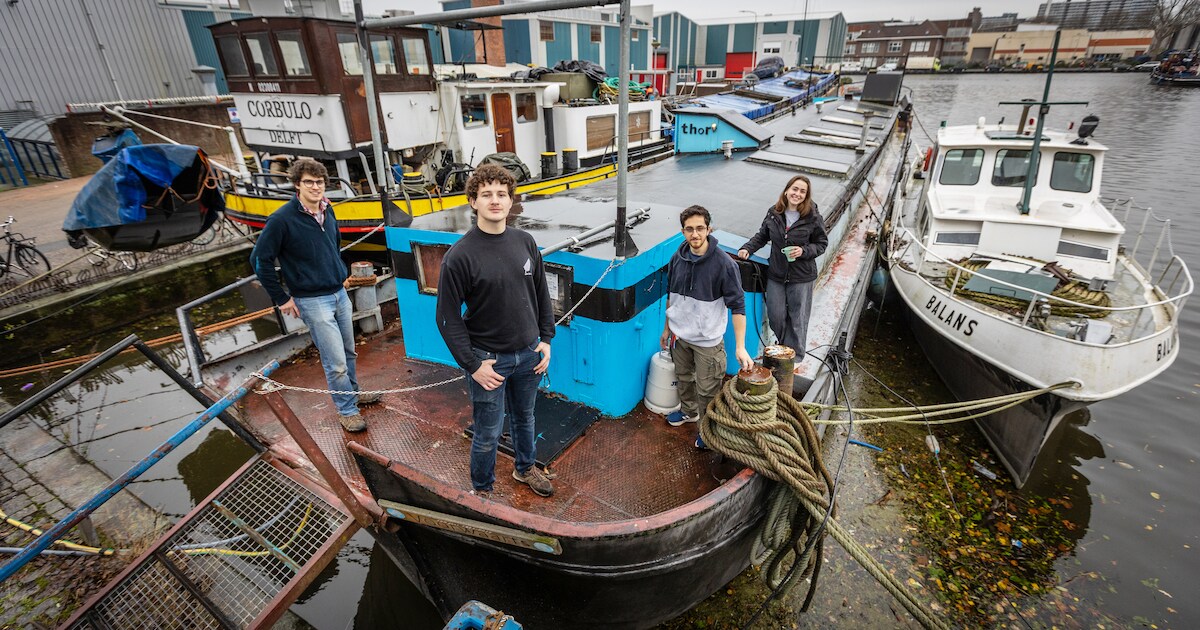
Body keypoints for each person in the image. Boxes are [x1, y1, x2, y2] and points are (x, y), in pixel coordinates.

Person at [436, 164, 556, 498]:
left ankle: (524, 468)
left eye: (501, 194)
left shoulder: (525, 241)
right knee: (488, 431)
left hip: (529, 353)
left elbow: (541, 294)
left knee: (525, 418)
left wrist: (546, 339)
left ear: (510, 200)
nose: (495, 200)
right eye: (486, 194)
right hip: (488, 360)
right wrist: (473, 365)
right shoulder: (459, 256)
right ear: (472, 201)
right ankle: (483, 490)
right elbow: (446, 317)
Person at [249, 157, 379, 432]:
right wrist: (282, 298)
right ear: (297, 184)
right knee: (335, 362)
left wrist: (338, 275)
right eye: (309, 182)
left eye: (320, 182)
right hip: (312, 300)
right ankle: (347, 410)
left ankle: (353, 395)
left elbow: (334, 245)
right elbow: (260, 261)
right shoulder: (281, 220)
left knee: (349, 352)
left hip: (338, 293)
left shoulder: (327, 210)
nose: (316, 187)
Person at [661, 205, 755, 448]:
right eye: (689, 229)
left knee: (708, 389)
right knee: (683, 378)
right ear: (683, 232)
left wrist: (741, 346)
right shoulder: (677, 258)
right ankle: (688, 412)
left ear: (709, 230)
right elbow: (671, 296)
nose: (695, 234)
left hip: (708, 342)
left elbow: (738, 306)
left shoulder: (725, 265)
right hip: (680, 337)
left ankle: (708, 428)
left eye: (700, 228)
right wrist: (667, 328)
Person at [737, 175, 829, 355]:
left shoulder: (813, 217)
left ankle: (795, 356)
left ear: (806, 195)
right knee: (776, 316)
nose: (797, 194)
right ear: (787, 190)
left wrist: (803, 251)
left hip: (802, 276)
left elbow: (821, 243)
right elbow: (762, 236)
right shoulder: (774, 212)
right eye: (795, 189)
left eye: (803, 191)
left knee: (797, 319)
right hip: (777, 274)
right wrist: (747, 248)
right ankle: (785, 348)